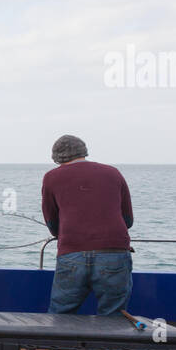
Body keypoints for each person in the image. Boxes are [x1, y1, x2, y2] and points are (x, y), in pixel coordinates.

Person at [41, 135, 135, 315]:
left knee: (61, 314)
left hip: (72, 252)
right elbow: (128, 220)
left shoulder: (52, 177)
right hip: (114, 252)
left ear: (57, 157)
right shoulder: (113, 173)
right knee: (113, 315)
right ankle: (107, 343)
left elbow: (51, 221)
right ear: (83, 151)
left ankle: (59, 342)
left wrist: (61, 233)